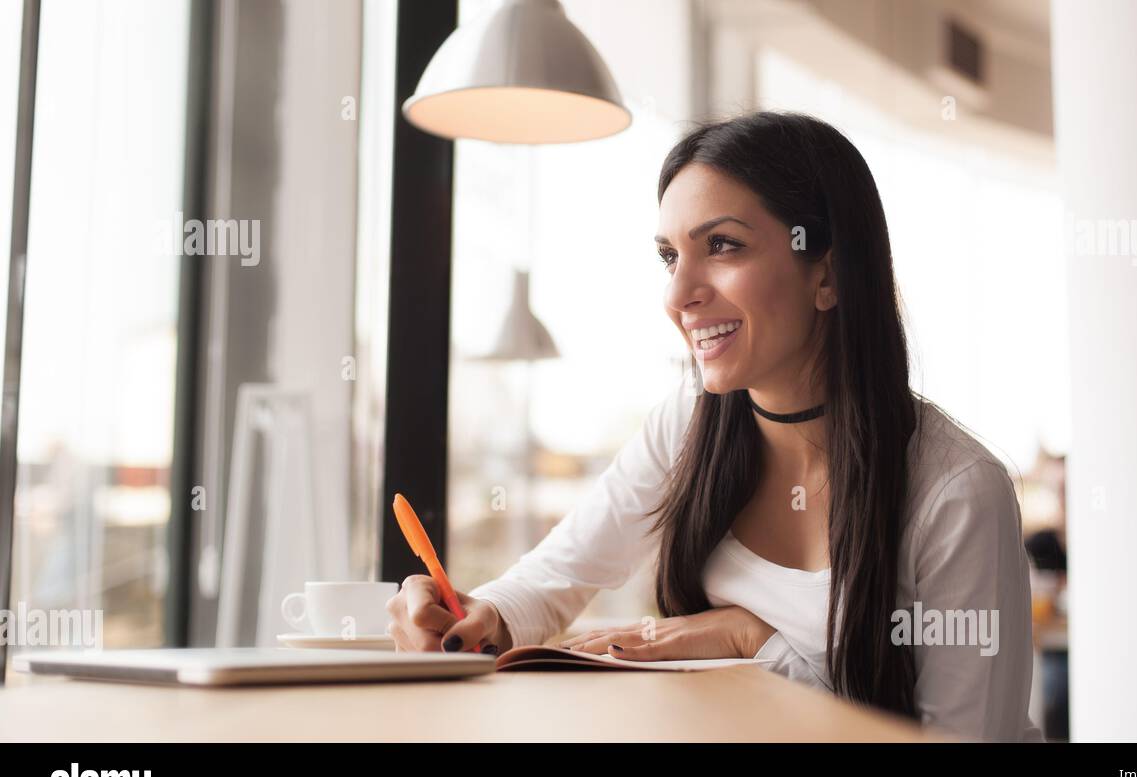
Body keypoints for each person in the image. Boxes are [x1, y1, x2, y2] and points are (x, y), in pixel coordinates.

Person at [386, 111, 1041, 741]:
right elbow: (553, 579)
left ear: (829, 273)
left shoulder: (957, 492)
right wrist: (476, 615)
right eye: (671, 256)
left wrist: (751, 639)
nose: (679, 295)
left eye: (722, 246)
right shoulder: (691, 422)